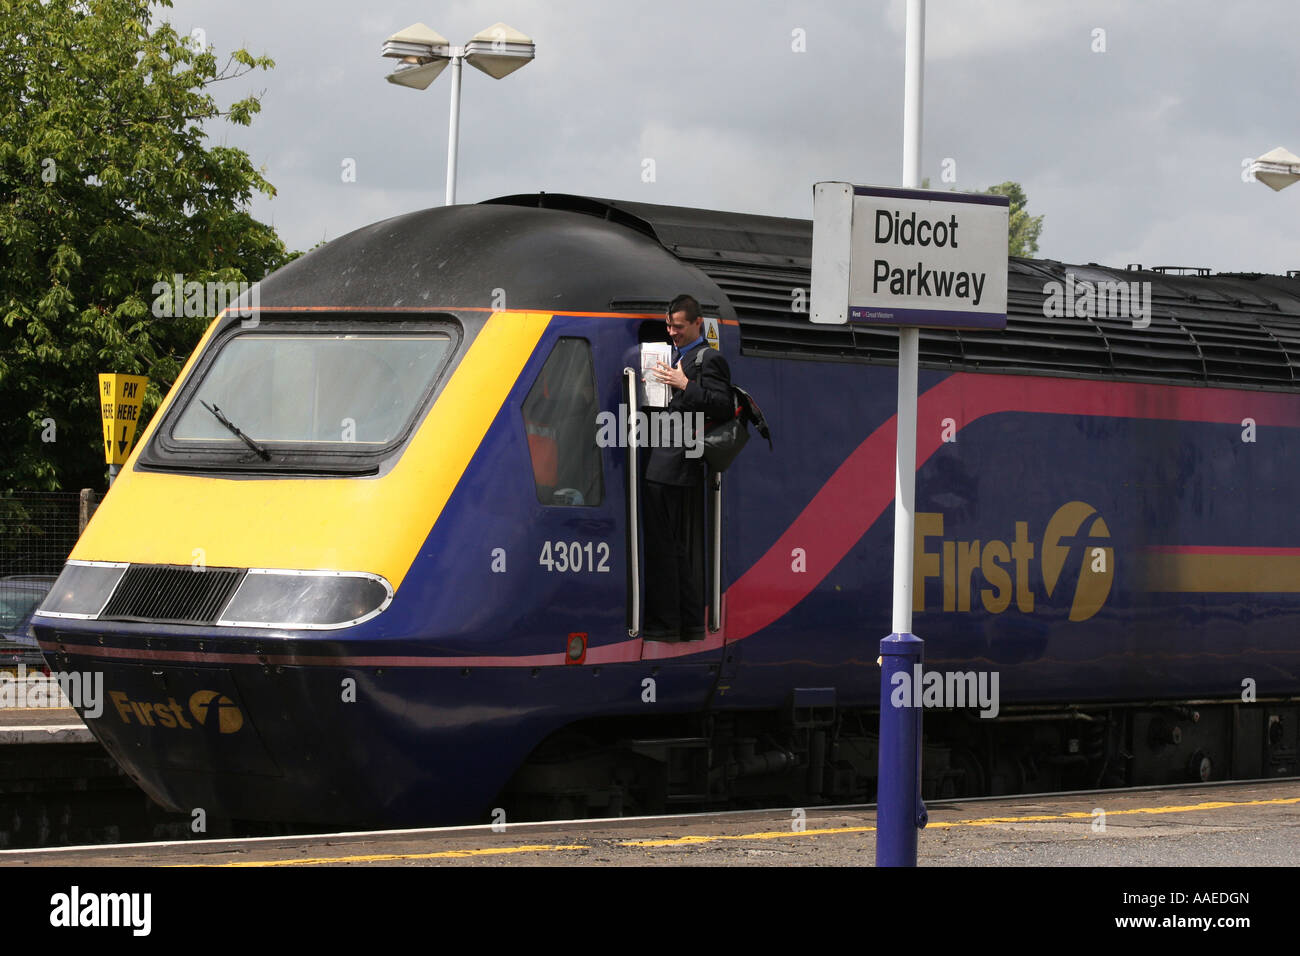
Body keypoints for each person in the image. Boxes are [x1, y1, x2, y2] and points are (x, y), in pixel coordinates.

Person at [644, 294, 734, 642]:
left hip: (680, 463)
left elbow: (723, 405)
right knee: (668, 545)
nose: (672, 332)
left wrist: (685, 385)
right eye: (669, 326)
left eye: (678, 326)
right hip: (663, 460)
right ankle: (678, 620)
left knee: (670, 546)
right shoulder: (673, 356)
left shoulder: (707, 359)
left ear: (697, 323)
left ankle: (676, 622)